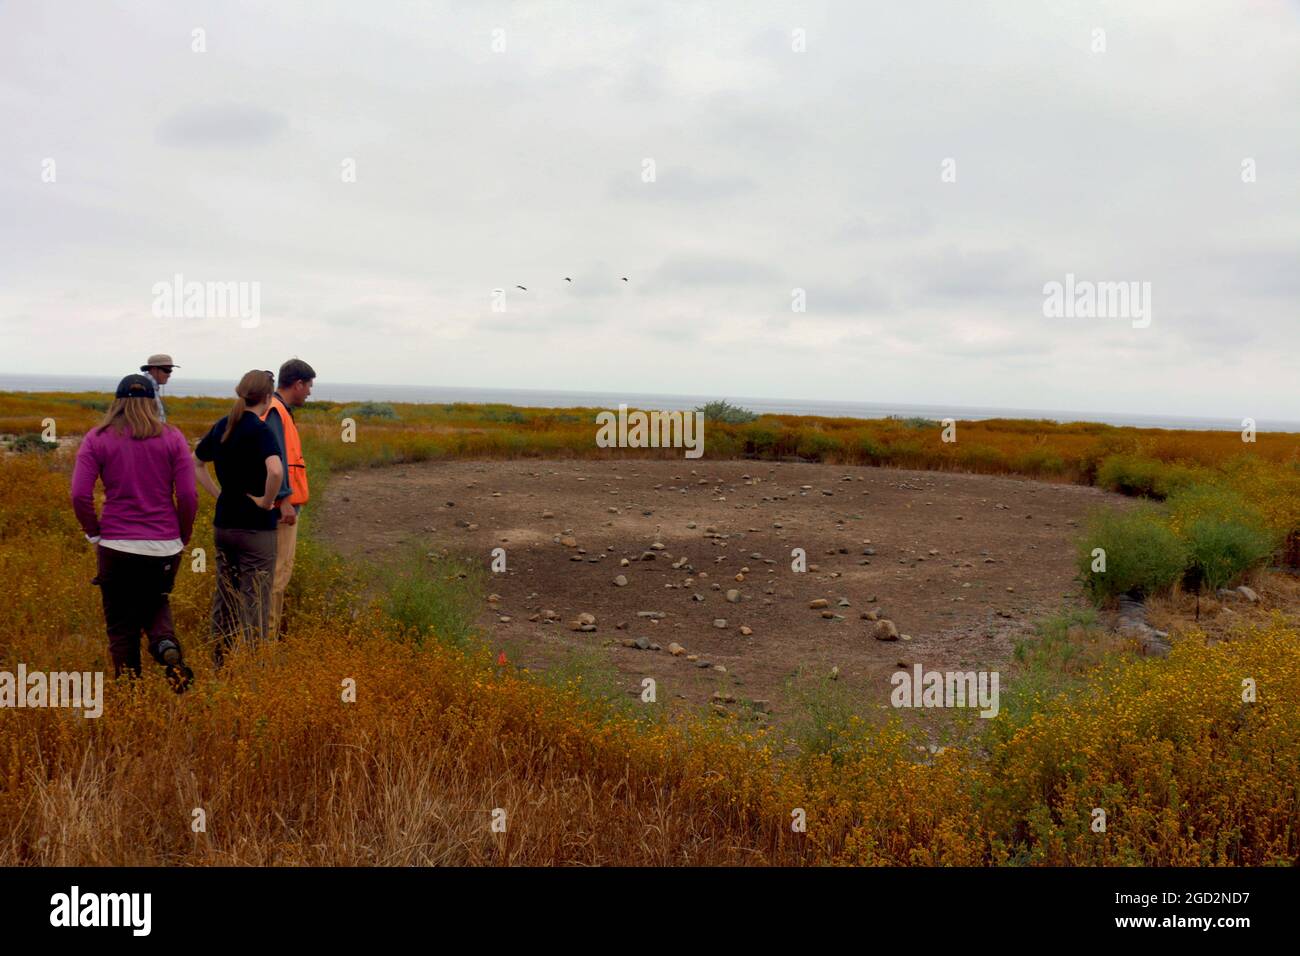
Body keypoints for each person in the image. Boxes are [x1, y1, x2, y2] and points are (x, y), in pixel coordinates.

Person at [71, 374, 197, 692]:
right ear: (153, 401)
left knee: (122, 626)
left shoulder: (97, 438)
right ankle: (165, 644)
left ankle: (131, 700)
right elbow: (188, 496)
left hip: (117, 545)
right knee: (155, 602)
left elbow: (79, 495)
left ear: (116, 401)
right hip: (164, 545)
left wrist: (93, 533)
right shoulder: (173, 437)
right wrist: (182, 536)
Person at [193, 370, 284, 664]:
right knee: (256, 597)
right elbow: (275, 471)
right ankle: (256, 667)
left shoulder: (224, 425)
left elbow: (196, 463)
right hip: (256, 530)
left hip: (225, 525)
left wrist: (219, 494)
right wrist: (266, 502)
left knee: (226, 594)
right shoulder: (261, 430)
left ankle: (220, 661)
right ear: (268, 398)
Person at [259, 358, 315, 636]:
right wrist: (284, 501)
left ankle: (264, 638)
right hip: (282, 509)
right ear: (297, 384)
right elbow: (275, 459)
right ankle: (265, 645)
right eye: (309, 386)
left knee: (276, 575)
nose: (310, 392)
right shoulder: (276, 411)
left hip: (282, 505)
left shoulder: (278, 409)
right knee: (278, 575)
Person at [139, 354, 178, 423]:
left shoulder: (151, 388)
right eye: (166, 371)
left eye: (170, 371)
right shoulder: (143, 389)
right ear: (154, 369)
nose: (169, 375)